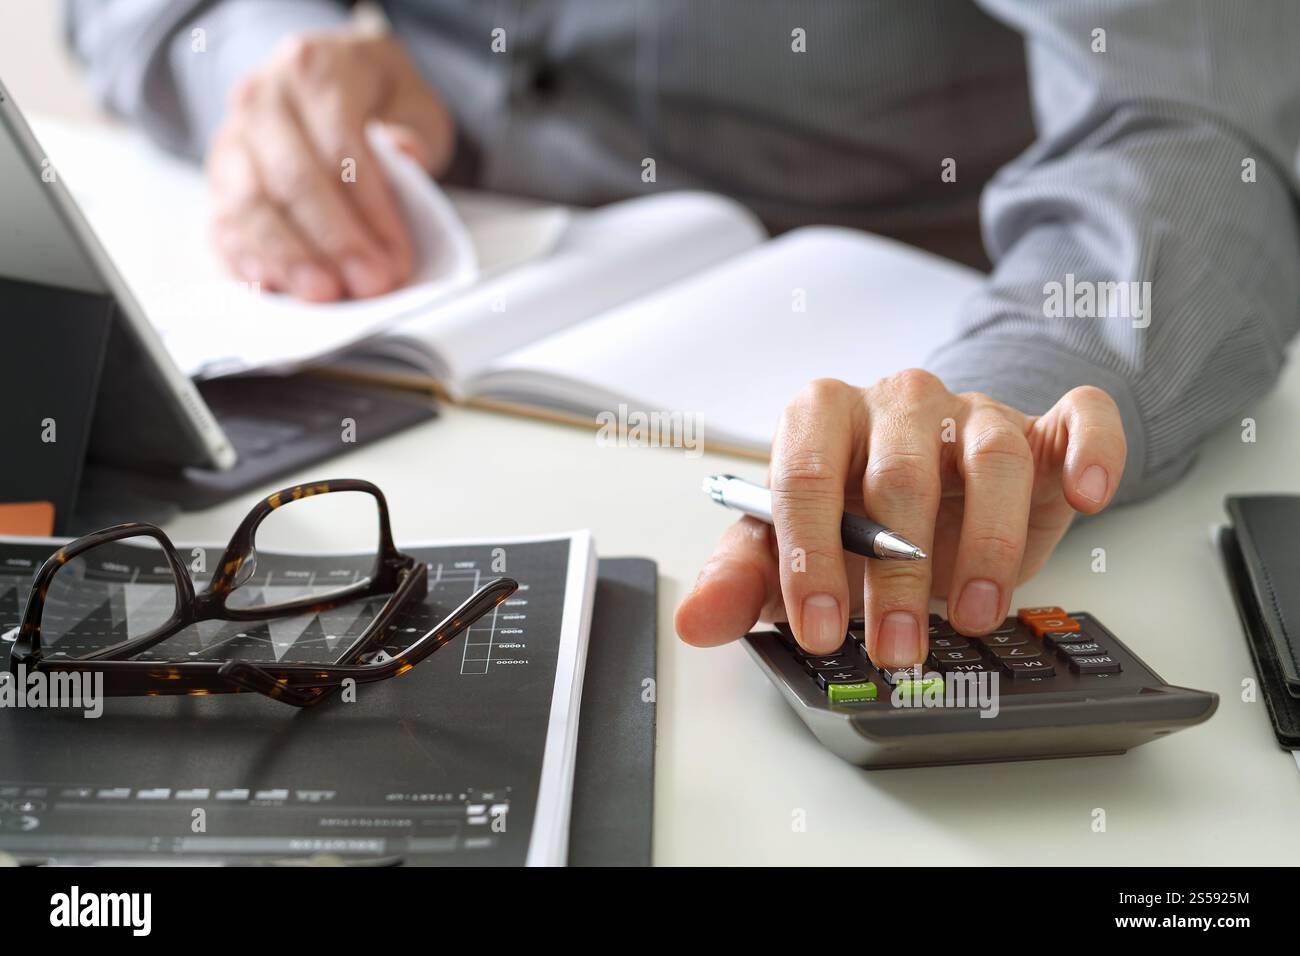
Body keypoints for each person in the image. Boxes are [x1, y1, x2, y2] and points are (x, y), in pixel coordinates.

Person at [67, 1, 1300, 665]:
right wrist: (256, 49)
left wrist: (998, 399)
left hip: (908, 311)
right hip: (395, 302)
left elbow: (1185, 126)